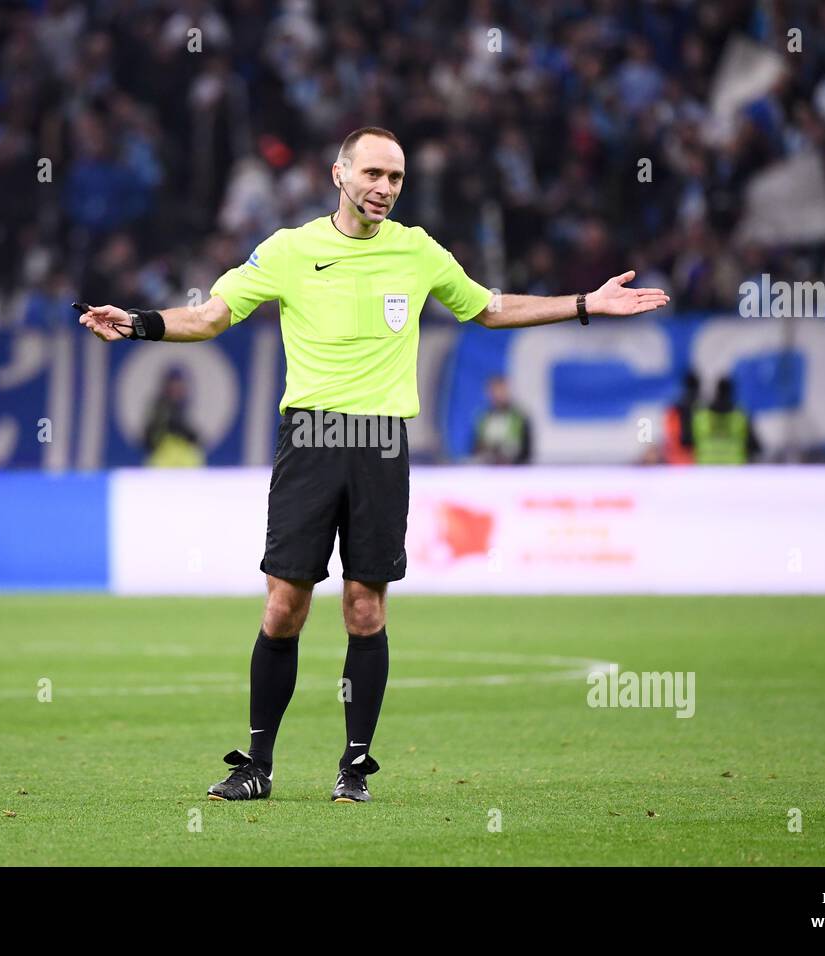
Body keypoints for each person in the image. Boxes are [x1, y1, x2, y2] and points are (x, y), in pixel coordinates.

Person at [77, 127, 668, 802]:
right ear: (339, 174)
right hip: (309, 440)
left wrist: (587, 303)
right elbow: (212, 316)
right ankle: (256, 767)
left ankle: (354, 769)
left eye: (395, 178)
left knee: (365, 609)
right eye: (374, 174)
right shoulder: (290, 250)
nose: (384, 188)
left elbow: (489, 309)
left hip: (383, 445)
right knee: (284, 608)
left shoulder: (416, 251)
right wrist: (140, 323)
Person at [692, 376, 760, 465]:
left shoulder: (701, 417)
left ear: (716, 392)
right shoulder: (740, 417)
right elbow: (754, 446)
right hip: (733, 468)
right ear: (732, 392)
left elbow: (689, 442)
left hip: (707, 466)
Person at [144, 367, 204, 467]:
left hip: (186, 467)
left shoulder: (184, 411)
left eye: (179, 386)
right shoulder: (159, 411)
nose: (175, 390)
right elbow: (149, 441)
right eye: (172, 385)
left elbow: (195, 439)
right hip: (162, 466)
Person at [473, 376, 532, 464]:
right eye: (495, 390)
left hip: (514, 470)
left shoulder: (519, 417)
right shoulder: (483, 418)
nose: (498, 394)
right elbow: (475, 447)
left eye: (501, 390)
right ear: (489, 393)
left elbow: (526, 451)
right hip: (487, 470)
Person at [662, 371, 699, 464]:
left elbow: (669, 437)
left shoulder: (672, 412)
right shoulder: (701, 412)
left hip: (678, 461)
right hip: (689, 461)